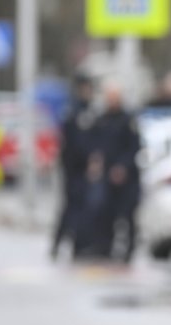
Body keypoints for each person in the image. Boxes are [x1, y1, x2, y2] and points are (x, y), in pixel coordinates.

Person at [91, 85, 142, 263]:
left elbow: (135, 147)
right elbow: (97, 146)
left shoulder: (128, 120)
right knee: (106, 213)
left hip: (128, 177)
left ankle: (129, 250)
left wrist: (122, 167)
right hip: (107, 176)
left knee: (128, 215)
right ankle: (106, 248)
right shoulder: (102, 119)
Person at [51, 74, 97, 260]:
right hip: (72, 168)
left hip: (85, 168)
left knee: (82, 208)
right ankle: (60, 243)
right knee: (71, 208)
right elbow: (71, 142)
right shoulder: (73, 110)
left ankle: (79, 246)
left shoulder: (89, 110)